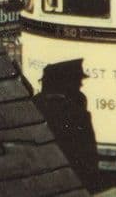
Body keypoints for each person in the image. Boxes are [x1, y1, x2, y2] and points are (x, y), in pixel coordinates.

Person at [33, 59, 100, 190]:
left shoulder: (35, 104)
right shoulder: (74, 110)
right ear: (66, 82)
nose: (81, 84)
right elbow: (87, 150)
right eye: (77, 80)